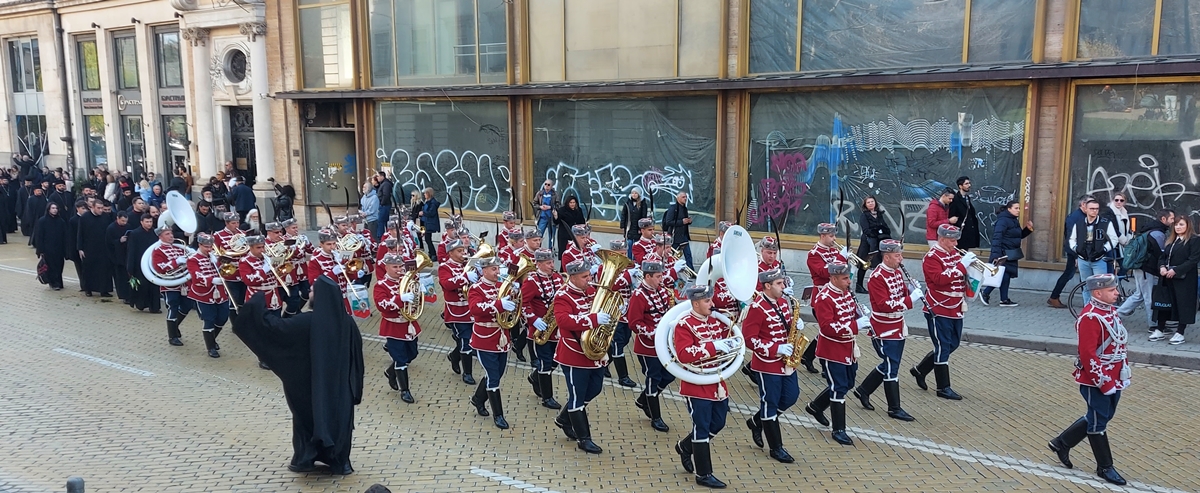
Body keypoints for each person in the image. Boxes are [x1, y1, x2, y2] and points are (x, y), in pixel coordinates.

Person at [233, 276, 365, 476]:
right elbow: (357, 357)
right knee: (339, 421)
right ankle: (340, 462)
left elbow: (273, 329)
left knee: (305, 420)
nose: (309, 293)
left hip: (308, 387)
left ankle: (305, 459)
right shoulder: (348, 323)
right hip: (340, 388)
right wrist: (355, 387)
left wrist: (256, 303)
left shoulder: (304, 322)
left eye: (312, 291)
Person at [1047, 273, 1130, 486]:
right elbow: (1088, 354)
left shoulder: (1109, 312)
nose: (1117, 293)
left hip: (1114, 376)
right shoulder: (1090, 317)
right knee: (1098, 420)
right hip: (1096, 379)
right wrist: (1104, 381)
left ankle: (1061, 443)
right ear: (1098, 292)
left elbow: (1119, 343)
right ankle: (1105, 467)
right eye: (1112, 290)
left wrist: (1122, 373)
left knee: (1103, 415)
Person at [671, 284, 737, 488]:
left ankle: (684, 446)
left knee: (718, 423)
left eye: (711, 299)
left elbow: (732, 338)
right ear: (696, 303)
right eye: (707, 301)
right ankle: (703, 474)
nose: (712, 304)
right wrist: (713, 347)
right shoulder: (684, 324)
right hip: (696, 383)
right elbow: (683, 354)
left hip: (716, 380)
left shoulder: (716, 320)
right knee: (701, 427)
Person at [854, 240, 919, 422]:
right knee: (892, 367)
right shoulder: (876, 277)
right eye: (897, 256)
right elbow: (884, 305)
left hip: (897, 325)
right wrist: (909, 300)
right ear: (887, 256)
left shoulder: (897, 272)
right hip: (883, 328)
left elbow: (899, 295)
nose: (901, 259)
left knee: (891, 363)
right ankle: (894, 408)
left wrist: (910, 291)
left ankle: (863, 390)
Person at [740, 267, 799, 463]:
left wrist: (795, 325)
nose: (784, 287)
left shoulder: (783, 302)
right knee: (770, 403)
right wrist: (776, 348)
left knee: (791, 396)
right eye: (780, 284)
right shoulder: (757, 308)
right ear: (767, 286)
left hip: (786, 361)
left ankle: (756, 422)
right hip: (767, 363)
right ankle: (776, 447)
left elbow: (784, 325)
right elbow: (749, 339)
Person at [553, 260, 612, 454]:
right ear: (572, 277)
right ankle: (583, 439)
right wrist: (593, 320)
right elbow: (564, 320)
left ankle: (563, 419)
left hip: (593, 351)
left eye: (589, 275)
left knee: (594, 389)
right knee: (577, 396)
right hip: (573, 353)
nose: (590, 279)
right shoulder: (563, 295)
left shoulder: (590, 291)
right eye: (585, 277)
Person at [804, 261, 861, 447]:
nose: (849, 282)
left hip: (848, 347)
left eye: (849, 278)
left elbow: (851, 314)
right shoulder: (824, 298)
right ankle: (839, 430)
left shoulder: (845, 293)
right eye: (845, 278)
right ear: (834, 278)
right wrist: (855, 326)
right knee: (838, 387)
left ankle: (816, 406)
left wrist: (862, 319)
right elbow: (828, 328)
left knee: (848, 383)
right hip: (832, 349)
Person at [911, 224, 969, 400]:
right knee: (943, 346)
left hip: (955, 305)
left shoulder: (954, 253)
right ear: (942, 239)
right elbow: (938, 280)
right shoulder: (932, 257)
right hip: (939, 307)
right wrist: (960, 267)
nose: (955, 243)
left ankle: (920, 370)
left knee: (953, 343)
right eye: (952, 240)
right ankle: (943, 387)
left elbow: (960, 276)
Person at [627, 257, 674, 433]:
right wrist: (654, 333)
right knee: (653, 378)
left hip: (663, 344)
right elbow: (634, 323)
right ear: (647, 276)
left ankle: (643, 400)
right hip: (647, 345)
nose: (661, 279)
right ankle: (656, 416)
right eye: (658, 276)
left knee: (669, 375)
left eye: (661, 275)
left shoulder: (661, 291)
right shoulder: (639, 295)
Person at [468, 256, 515, 429]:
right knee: (494, 377)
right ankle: (499, 415)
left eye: (498, 269)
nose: (497, 272)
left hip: (501, 337)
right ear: (484, 270)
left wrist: (514, 297)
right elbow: (475, 308)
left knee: (496, 373)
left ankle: (478, 399)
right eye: (494, 269)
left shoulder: (501, 286)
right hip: (485, 339)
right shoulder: (476, 288)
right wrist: (499, 304)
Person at [799, 223, 847, 373]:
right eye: (831, 236)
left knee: (829, 331)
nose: (834, 239)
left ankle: (808, 356)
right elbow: (823, 272)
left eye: (834, 236)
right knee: (829, 332)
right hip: (822, 297)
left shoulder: (833, 250)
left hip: (836, 295)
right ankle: (826, 366)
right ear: (823, 235)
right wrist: (840, 258)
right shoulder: (814, 254)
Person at [375, 253, 420, 403]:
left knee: (412, 354)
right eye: (395, 267)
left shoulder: (406, 281)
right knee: (400, 359)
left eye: (400, 266)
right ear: (386, 267)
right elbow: (382, 305)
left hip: (409, 324)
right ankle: (405, 390)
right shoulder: (381, 285)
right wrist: (401, 299)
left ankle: (390, 372)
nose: (399, 269)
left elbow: (416, 300)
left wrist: (419, 292)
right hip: (393, 326)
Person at [522, 248, 564, 409]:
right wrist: (534, 319)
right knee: (546, 363)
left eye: (552, 262)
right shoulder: (531, 281)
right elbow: (523, 304)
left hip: (555, 328)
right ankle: (547, 398)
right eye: (548, 263)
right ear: (538, 264)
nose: (551, 265)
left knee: (555, 360)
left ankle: (534, 377)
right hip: (540, 330)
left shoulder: (557, 277)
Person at [1119, 209, 1173, 329]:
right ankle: (1153, 325)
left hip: (1141, 267)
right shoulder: (1158, 233)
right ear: (1163, 219)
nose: (1173, 221)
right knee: (1149, 297)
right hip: (1146, 269)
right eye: (1172, 219)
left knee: (1139, 295)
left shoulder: (1150, 229)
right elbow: (1161, 253)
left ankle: (1116, 315)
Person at [1150, 217, 1200, 345]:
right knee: (1164, 303)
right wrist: (1161, 267)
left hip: (1184, 279)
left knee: (1183, 305)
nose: (1178, 227)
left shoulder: (1194, 240)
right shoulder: (1171, 240)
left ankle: (1180, 332)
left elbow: (1193, 260)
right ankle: (1159, 329)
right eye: (1176, 224)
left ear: (1188, 226)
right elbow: (1163, 256)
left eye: (1181, 224)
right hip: (1167, 277)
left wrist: (1176, 270)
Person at [981, 201, 1034, 307]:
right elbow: (997, 238)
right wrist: (996, 255)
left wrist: (1028, 230)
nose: (1018, 210)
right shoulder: (1003, 221)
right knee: (1002, 275)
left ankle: (1003, 299)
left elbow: (1017, 236)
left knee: (1006, 275)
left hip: (1011, 253)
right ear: (1009, 209)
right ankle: (986, 293)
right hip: (1003, 253)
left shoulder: (1013, 220)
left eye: (1019, 208)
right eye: (1016, 208)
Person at [149, 225, 194, 346]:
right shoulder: (158, 250)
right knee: (173, 307)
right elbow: (160, 268)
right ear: (160, 236)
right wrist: (177, 262)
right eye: (167, 234)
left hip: (183, 283)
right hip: (170, 285)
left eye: (171, 233)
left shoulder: (179, 248)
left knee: (186, 306)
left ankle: (175, 326)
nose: (171, 236)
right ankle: (172, 336)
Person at [187, 233, 231, 358]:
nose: (209, 249)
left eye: (210, 246)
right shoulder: (193, 259)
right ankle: (210, 347)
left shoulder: (213, 256)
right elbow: (196, 276)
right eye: (206, 247)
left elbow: (223, 270)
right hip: (204, 294)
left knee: (223, 317)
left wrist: (219, 264)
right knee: (209, 319)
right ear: (199, 245)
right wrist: (212, 280)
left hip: (220, 292)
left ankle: (212, 339)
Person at [438, 239, 475, 384]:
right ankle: (468, 373)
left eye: (464, 250)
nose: (464, 253)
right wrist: (465, 277)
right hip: (456, 311)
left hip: (471, 308)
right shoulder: (444, 267)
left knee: (468, 340)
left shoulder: (468, 265)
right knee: (465, 340)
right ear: (450, 253)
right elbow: (447, 284)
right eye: (459, 251)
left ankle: (454, 356)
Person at [1049, 194, 1095, 308]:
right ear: (1083, 204)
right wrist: (1076, 256)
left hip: (1083, 252)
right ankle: (1054, 297)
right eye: (1090, 204)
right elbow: (1071, 237)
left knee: (1082, 275)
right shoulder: (1075, 218)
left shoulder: (1084, 216)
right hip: (1075, 252)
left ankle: (1088, 300)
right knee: (1069, 274)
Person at [1068, 199, 1117, 304]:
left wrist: (1104, 249)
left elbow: (1114, 239)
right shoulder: (1079, 223)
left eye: (1096, 209)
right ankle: (1088, 309)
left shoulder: (1105, 223)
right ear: (1085, 209)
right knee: (1086, 285)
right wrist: (1075, 249)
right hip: (1083, 258)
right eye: (1092, 209)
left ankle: (1099, 309)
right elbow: (1072, 239)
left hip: (1099, 259)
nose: (1094, 211)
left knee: (1100, 286)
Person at [125, 214, 162, 313]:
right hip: (139, 264)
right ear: (141, 222)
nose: (149, 224)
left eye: (150, 222)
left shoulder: (155, 233)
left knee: (154, 286)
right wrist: (130, 266)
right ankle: (141, 304)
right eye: (147, 222)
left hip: (152, 263)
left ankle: (155, 307)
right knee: (143, 286)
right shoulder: (135, 233)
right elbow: (131, 251)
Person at [78, 199, 115, 297]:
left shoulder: (105, 217)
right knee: (89, 269)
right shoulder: (85, 218)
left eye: (102, 208)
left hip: (103, 248)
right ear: (92, 207)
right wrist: (80, 248)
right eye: (98, 208)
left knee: (104, 270)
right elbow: (80, 233)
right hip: (89, 248)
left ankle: (104, 290)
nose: (100, 210)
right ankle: (88, 289)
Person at [855, 195, 891, 294]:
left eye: (872, 201)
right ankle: (859, 285)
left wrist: (883, 234)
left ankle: (879, 286)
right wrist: (877, 232)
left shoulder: (879, 214)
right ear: (865, 205)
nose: (871, 203)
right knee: (864, 264)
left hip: (878, 242)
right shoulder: (864, 215)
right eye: (868, 202)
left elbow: (885, 227)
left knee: (878, 264)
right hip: (867, 243)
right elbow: (866, 230)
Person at [33, 202, 69, 290]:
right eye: (53, 208)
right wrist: (40, 250)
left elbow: (65, 236)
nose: (55, 210)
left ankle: (59, 281)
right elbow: (39, 236)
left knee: (59, 265)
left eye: (56, 208)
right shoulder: (42, 221)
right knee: (51, 266)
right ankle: (53, 283)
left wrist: (66, 249)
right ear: (48, 209)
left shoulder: (61, 221)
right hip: (48, 248)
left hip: (59, 248)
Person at [1101, 193, 1134, 272]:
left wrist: (1129, 238)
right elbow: (1113, 229)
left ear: (1124, 202)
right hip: (1111, 244)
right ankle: (1112, 283)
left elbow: (1127, 228)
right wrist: (1124, 240)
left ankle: (1116, 282)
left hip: (1121, 245)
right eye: (1116, 200)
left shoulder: (1124, 212)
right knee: (1111, 268)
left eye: (1121, 200)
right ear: (1112, 201)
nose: (1119, 202)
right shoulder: (1108, 212)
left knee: (1125, 265)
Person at [662, 192, 694, 270]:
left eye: (686, 197)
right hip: (675, 235)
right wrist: (682, 222)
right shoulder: (673, 208)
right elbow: (668, 222)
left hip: (684, 235)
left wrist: (689, 221)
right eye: (683, 197)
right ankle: (668, 268)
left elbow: (684, 221)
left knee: (688, 254)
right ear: (678, 198)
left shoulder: (684, 208)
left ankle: (691, 271)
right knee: (671, 253)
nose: (685, 199)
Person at [948, 177, 980, 251]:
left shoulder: (967, 197)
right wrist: (960, 224)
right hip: (960, 232)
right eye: (966, 184)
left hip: (968, 231)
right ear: (960, 186)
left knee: (965, 251)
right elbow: (952, 215)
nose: (969, 185)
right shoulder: (955, 199)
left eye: (969, 183)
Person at [106, 212, 132, 302]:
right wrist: (119, 241)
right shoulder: (111, 228)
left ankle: (129, 294)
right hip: (117, 256)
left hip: (126, 254)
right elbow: (109, 243)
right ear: (117, 218)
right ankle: (123, 296)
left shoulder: (128, 226)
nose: (124, 223)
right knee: (120, 277)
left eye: (125, 221)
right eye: (122, 221)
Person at [618, 188, 650, 254]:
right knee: (629, 244)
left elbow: (643, 217)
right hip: (629, 228)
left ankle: (635, 260)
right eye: (632, 193)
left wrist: (640, 228)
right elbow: (623, 214)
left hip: (637, 228)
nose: (634, 195)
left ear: (639, 194)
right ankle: (630, 260)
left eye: (635, 193)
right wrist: (622, 225)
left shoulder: (643, 204)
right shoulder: (628, 203)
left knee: (636, 245)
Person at [555, 195, 585, 259]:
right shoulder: (562, 210)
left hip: (575, 235)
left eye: (573, 202)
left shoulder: (579, 210)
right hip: (565, 235)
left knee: (575, 253)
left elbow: (581, 221)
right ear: (567, 203)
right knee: (565, 253)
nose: (572, 204)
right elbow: (557, 222)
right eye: (570, 203)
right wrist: (555, 216)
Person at [535, 179, 559, 252]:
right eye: (545, 184)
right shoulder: (540, 193)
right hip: (542, 217)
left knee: (551, 236)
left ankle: (550, 251)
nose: (546, 186)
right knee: (539, 235)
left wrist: (550, 207)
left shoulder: (555, 194)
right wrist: (540, 207)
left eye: (548, 184)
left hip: (551, 218)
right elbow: (534, 203)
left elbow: (559, 205)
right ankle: (537, 250)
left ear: (551, 186)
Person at [418, 188, 439, 260]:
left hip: (429, 223)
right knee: (425, 237)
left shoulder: (433, 203)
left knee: (428, 238)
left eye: (425, 193)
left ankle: (433, 254)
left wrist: (423, 213)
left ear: (429, 194)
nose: (424, 195)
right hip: (424, 222)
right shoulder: (427, 202)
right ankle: (430, 253)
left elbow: (431, 213)